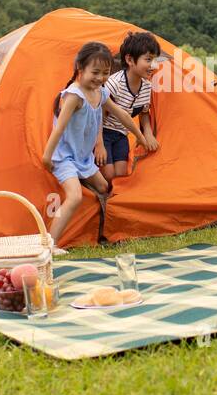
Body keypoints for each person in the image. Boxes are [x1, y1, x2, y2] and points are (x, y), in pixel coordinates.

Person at [42, 42, 142, 251]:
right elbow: (59, 128)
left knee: (104, 187)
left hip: (83, 157)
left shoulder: (100, 92)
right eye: (95, 72)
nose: (100, 78)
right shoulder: (74, 96)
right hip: (64, 157)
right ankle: (49, 245)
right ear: (80, 68)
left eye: (105, 73)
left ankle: (100, 227)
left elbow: (121, 114)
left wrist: (139, 135)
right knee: (75, 196)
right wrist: (47, 157)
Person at [99, 31, 162, 181]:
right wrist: (98, 142)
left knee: (121, 175)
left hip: (121, 135)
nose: (153, 66)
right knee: (108, 174)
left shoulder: (146, 86)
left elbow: (144, 112)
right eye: (148, 59)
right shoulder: (114, 84)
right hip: (103, 132)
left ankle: (113, 200)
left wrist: (147, 132)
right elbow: (97, 111)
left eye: (154, 60)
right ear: (129, 59)